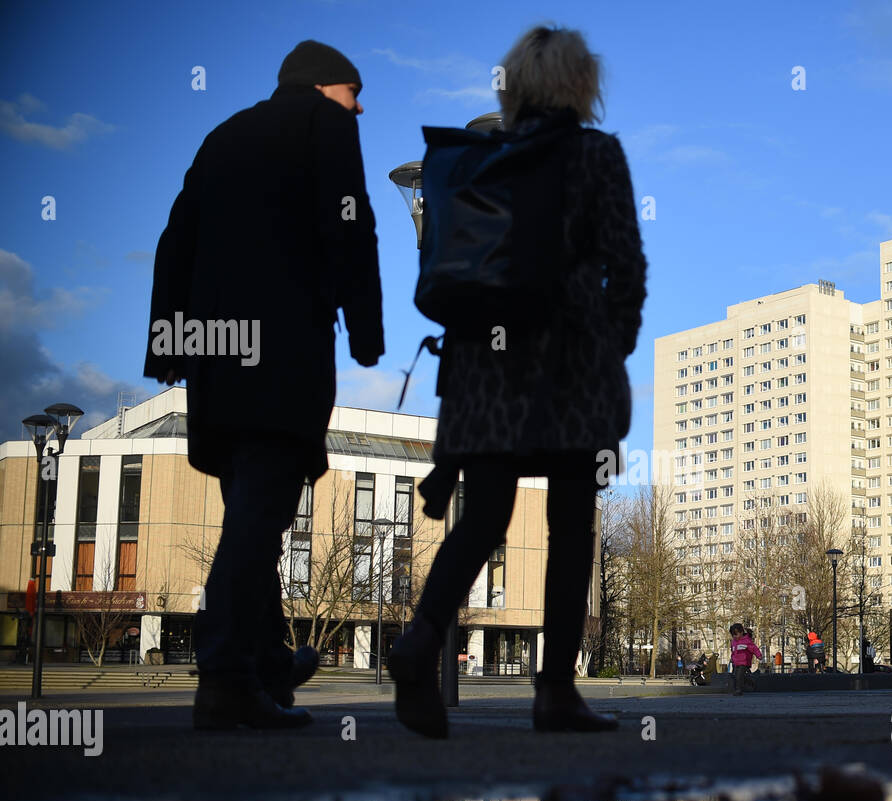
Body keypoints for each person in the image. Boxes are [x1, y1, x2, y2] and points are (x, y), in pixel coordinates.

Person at [387, 25, 646, 737]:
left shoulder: (480, 160)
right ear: (580, 85)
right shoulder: (595, 155)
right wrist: (611, 348)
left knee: (485, 517)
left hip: (481, 366)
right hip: (567, 365)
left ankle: (418, 640)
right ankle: (555, 692)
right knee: (571, 525)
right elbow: (626, 265)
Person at [145, 41, 383, 730]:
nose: (359, 105)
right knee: (259, 518)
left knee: (253, 516)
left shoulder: (223, 136)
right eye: (353, 90)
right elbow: (350, 222)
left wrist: (168, 340)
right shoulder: (325, 126)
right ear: (321, 87)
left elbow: (175, 239)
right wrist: (366, 330)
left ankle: (269, 669)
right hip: (279, 351)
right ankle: (223, 678)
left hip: (215, 360)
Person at [729, 622, 762, 696]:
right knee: (736, 675)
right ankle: (751, 682)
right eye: (733, 635)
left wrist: (759, 655)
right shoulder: (733, 642)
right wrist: (732, 659)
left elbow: (754, 648)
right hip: (736, 662)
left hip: (744, 662)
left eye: (736, 634)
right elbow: (733, 651)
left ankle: (738, 690)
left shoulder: (747, 640)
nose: (735, 636)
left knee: (739, 676)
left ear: (741, 632)